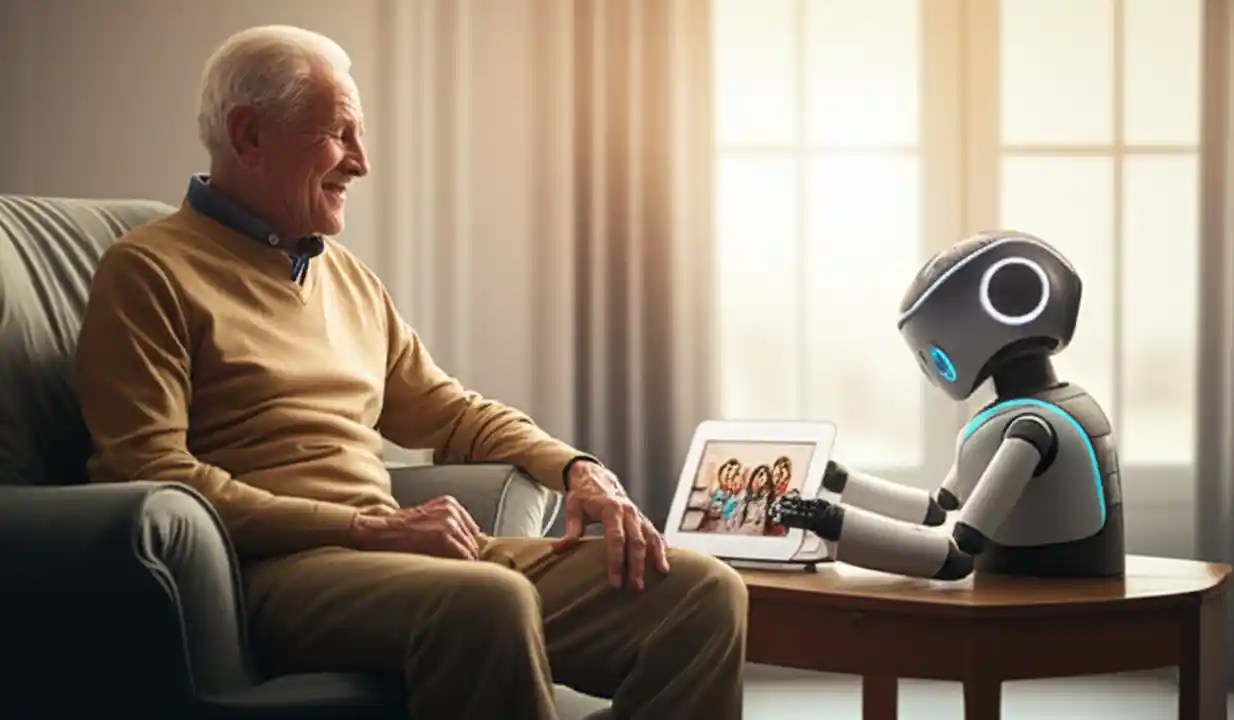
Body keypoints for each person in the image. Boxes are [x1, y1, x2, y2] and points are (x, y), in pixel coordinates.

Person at [72, 25, 746, 720]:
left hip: (399, 562)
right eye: (338, 135)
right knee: (490, 599)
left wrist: (577, 469)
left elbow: (449, 411)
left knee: (700, 593)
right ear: (250, 136)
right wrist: (364, 527)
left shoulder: (347, 278)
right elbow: (148, 471)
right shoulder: (148, 270)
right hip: (275, 575)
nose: (360, 163)